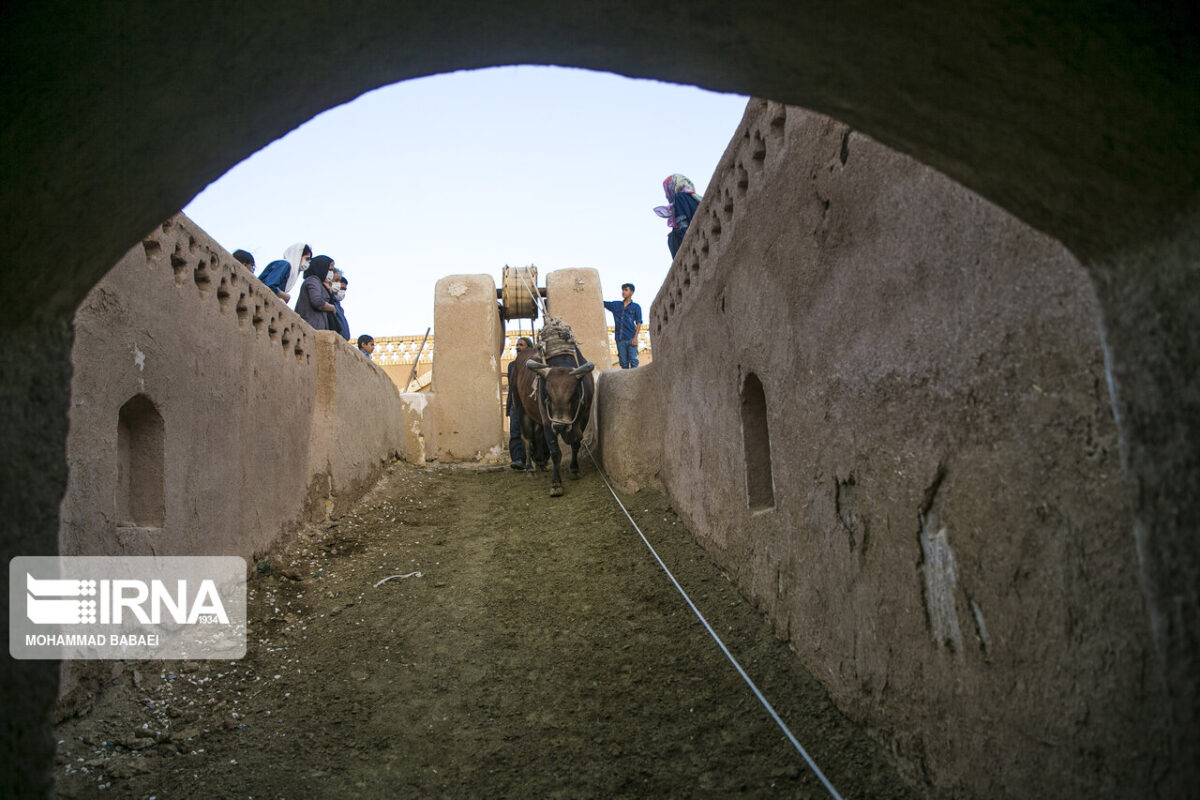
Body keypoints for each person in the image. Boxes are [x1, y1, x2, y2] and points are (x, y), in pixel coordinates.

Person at [653, 174, 703, 257]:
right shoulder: (695, 199)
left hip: (693, 245)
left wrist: (686, 248)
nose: (666, 195)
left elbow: (683, 225)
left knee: (671, 238)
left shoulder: (679, 197)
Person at [506, 337, 534, 468]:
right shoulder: (512, 365)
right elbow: (512, 386)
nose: (517, 347)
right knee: (515, 431)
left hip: (530, 402)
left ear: (528, 347)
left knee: (532, 431)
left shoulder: (534, 363)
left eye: (521, 345)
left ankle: (535, 459)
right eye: (517, 345)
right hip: (516, 404)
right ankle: (518, 459)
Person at [603, 283, 642, 369]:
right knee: (623, 363)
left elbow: (639, 322)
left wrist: (635, 338)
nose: (623, 292)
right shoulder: (616, 305)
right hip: (619, 339)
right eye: (623, 290)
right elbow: (603, 303)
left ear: (631, 292)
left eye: (626, 290)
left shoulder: (636, 307)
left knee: (634, 362)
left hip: (631, 338)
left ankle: (634, 381)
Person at [294, 255, 338, 330]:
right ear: (321, 268)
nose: (331, 273)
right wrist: (332, 308)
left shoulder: (318, 283)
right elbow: (317, 301)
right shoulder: (313, 280)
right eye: (329, 270)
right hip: (309, 328)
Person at [330, 274, 350, 341]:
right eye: (341, 288)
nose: (343, 291)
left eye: (344, 289)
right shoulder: (329, 301)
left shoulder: (340, 308)